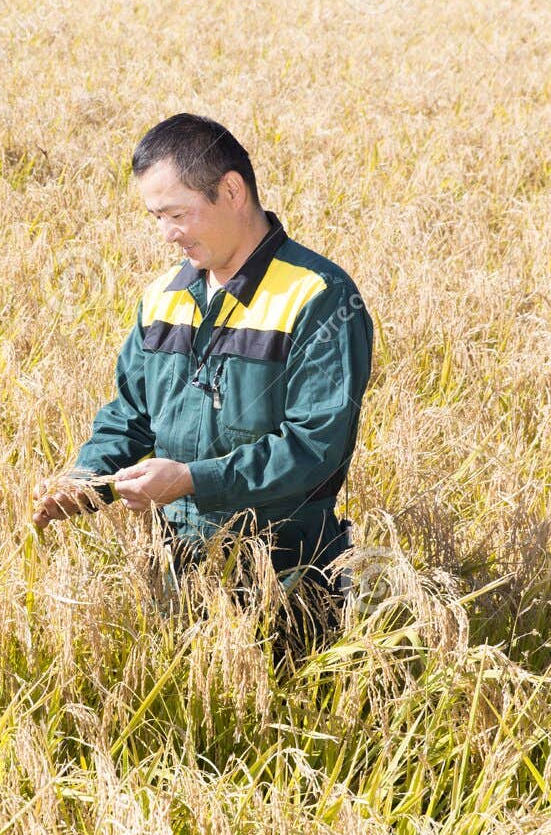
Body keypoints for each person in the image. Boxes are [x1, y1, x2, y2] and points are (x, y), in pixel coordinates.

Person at [30, 113, 374, 666]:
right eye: (156, 217)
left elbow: (315, 446)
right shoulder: (163, 296)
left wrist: (192, 480)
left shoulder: (318, 297)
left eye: (177, 214)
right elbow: (132, 412)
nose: (167, 233)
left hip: (286, 578)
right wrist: (84, 481)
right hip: (175, 572)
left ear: (232, 190)